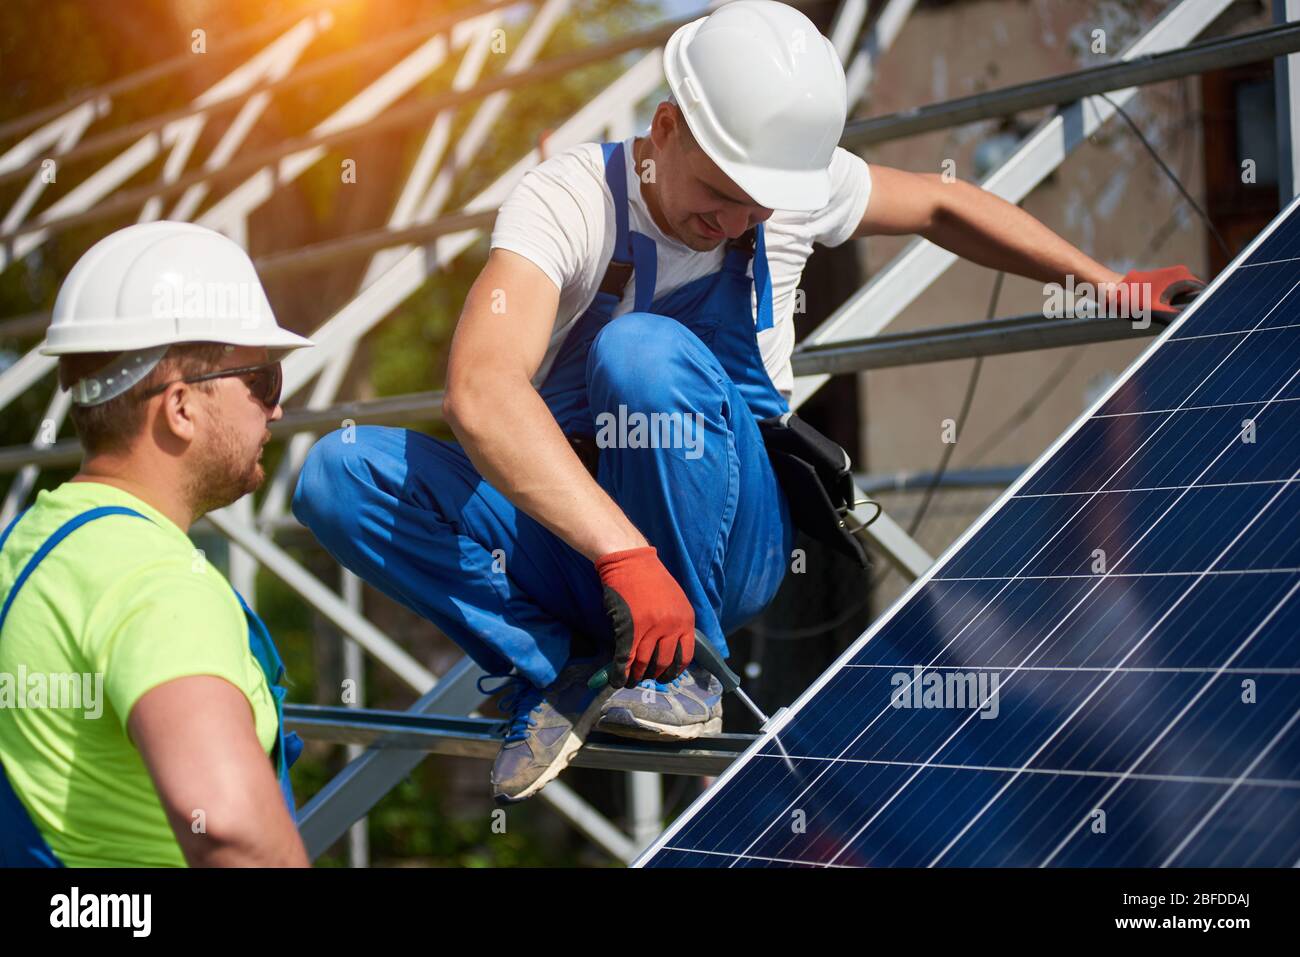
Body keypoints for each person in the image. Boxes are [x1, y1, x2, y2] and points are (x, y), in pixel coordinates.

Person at [291, 0, 1202, 804]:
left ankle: (678, 670)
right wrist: (620, 553)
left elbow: (937, 205)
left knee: (636, 350)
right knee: (338, 472)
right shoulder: (567, 202)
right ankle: (561, 667)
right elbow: (480, 389)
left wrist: (1101, 282)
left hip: (732, 532)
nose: (733, 225)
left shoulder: (789, 192)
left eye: (755, 211)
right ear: (666, 128)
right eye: (719, 197)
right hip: (598, 548)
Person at [0, 220, 315, 866]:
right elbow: (232, 830)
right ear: (179, 408)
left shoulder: (29, 543)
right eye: (263, 379)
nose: (276, 410)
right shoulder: (153, 580)